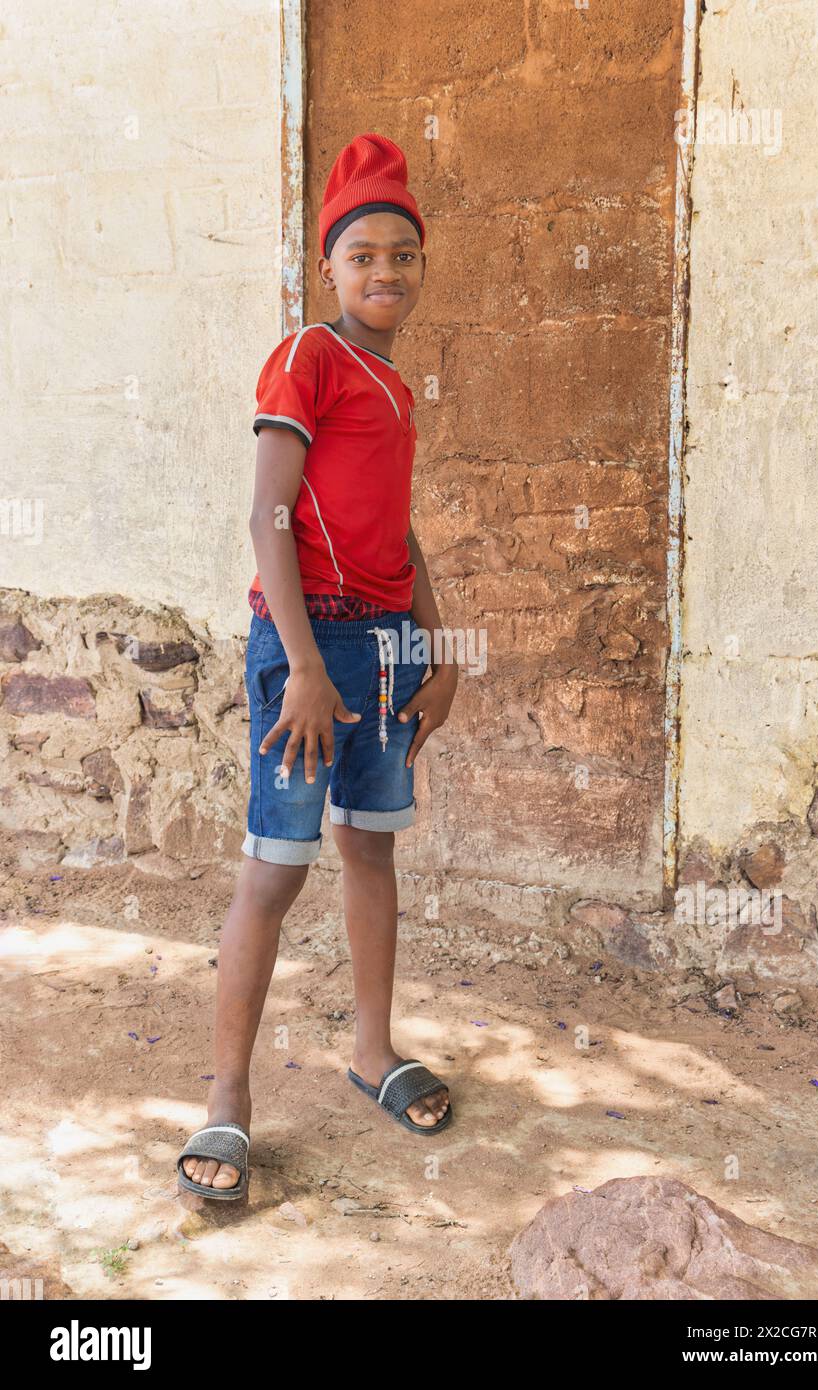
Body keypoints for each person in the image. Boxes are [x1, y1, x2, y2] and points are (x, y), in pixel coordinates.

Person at [177, 133, 460, 1200]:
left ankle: (373, 1050)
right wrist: (300, 665)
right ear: (331, 270)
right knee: (276, 867)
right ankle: (228, 1101)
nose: (385, 271)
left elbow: (401, 533)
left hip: (387, 650)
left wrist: (440, 653)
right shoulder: (308, 358)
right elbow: (268, 514)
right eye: (364, 255)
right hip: (307, 647)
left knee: (372, 854)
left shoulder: (392, 386)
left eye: (404, 254)